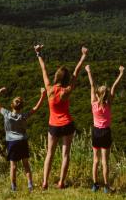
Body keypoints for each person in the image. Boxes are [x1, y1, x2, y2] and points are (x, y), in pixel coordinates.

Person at [35, 43, 87, 189]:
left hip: (53, 125)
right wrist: (83, 56)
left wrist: (38, 54)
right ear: (66, 79)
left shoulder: (50, 89)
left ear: (56, 77)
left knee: (49, 154)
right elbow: (76, 73)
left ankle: (45, 182)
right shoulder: (66, 91)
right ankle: (61, 183)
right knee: (65, 154)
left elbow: (44, 70)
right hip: (67, 124)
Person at [0, 85, 46, 192]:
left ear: (12, 105)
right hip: (22, 141)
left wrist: (0, 90)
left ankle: (14, 187)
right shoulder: (23, 116)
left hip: (11, 143)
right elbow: (35, 108)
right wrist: (42, 96)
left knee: (13, 166)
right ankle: (30, 185)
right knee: (26, 164)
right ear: (22, 107)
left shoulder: (6, 114)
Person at [85, 64, 124, 192]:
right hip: (106, 132)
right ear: (106, 95)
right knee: (105, 162)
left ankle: (95, 185)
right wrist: (121, 73)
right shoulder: (108, 104)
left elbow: (92, 85)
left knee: (95, 160)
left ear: (97, 94)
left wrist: (89, 71)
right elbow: (114, 87)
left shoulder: (93, 103)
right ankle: (106, 186)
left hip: (96, 132)